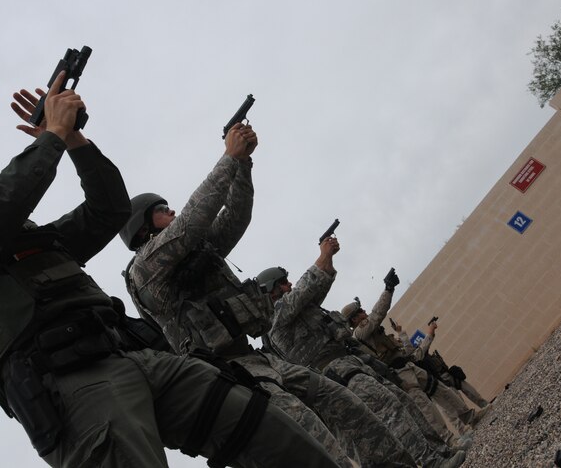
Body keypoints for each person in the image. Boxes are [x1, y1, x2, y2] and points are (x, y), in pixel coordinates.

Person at [0, 74, 338, 468]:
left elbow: (109, 209)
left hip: (135, 356)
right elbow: (1, 205)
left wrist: (74, 138)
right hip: (72, 388)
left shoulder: (25, 239)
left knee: (267, 429)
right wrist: (51, 137)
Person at [122, 122, 428, 467]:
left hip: (258, 361)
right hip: (227, 374)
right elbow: (193, 219)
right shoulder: (146, 269)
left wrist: (243, 165)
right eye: (163, 210)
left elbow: (236, 217)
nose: (172, 211)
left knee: (343, 404)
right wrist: (228, 157)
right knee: (308, 433)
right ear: (143, 227)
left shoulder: (197, 252)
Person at [259, 239, 467, 468]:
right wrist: (321, 257)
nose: (288, 285)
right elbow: (303, 290)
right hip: (333, 373)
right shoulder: (274, 319)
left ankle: (441, 453)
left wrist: (328, 260)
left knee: (402, 401)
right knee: (389, 409)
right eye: (283, 283)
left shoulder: (299, 308)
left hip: (351, 363)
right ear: (271, 291)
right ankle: (431, 463)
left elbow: (318, 286)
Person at [343, 285, 485, 444]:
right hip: (397, 373)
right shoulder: (359, 333)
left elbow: (408, 351)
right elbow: (377, 313)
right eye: (360, 311)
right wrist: (388, 289)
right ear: (354, 319)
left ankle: (471, 418)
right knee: (425, 407)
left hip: (407, 365)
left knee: (441, 390)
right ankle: (450, 441)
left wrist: (401, 334)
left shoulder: (372, 331)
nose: (364, 312)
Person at [395, 321, 490, 410]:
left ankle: (483, 407)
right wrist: (430, 329)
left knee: (468, 392)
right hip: (440, 379)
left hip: (446, 373)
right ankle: (469, 421)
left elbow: (414, 346)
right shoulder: (414, 356)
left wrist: (400, 332)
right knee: (456, 403)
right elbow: (426, 340)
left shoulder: (416, 353)